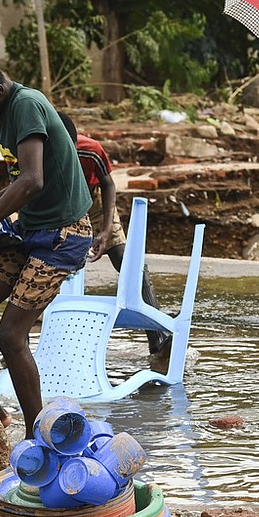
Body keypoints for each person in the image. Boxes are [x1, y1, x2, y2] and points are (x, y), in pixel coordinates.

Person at [0, 51, 93, 439]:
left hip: (63, 234)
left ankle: (37, 436)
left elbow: (32, 181)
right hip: (28, 229)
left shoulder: (26, 105)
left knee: (10, 335)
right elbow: (18, 179)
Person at [56, 111, 172, 358]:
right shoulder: (39, 150)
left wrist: (107, 230)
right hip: (57, 202)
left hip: (93, 199)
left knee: (128, 263)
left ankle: (158, 340)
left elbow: (108, 184)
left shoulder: (91, 150)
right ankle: (37, 339)